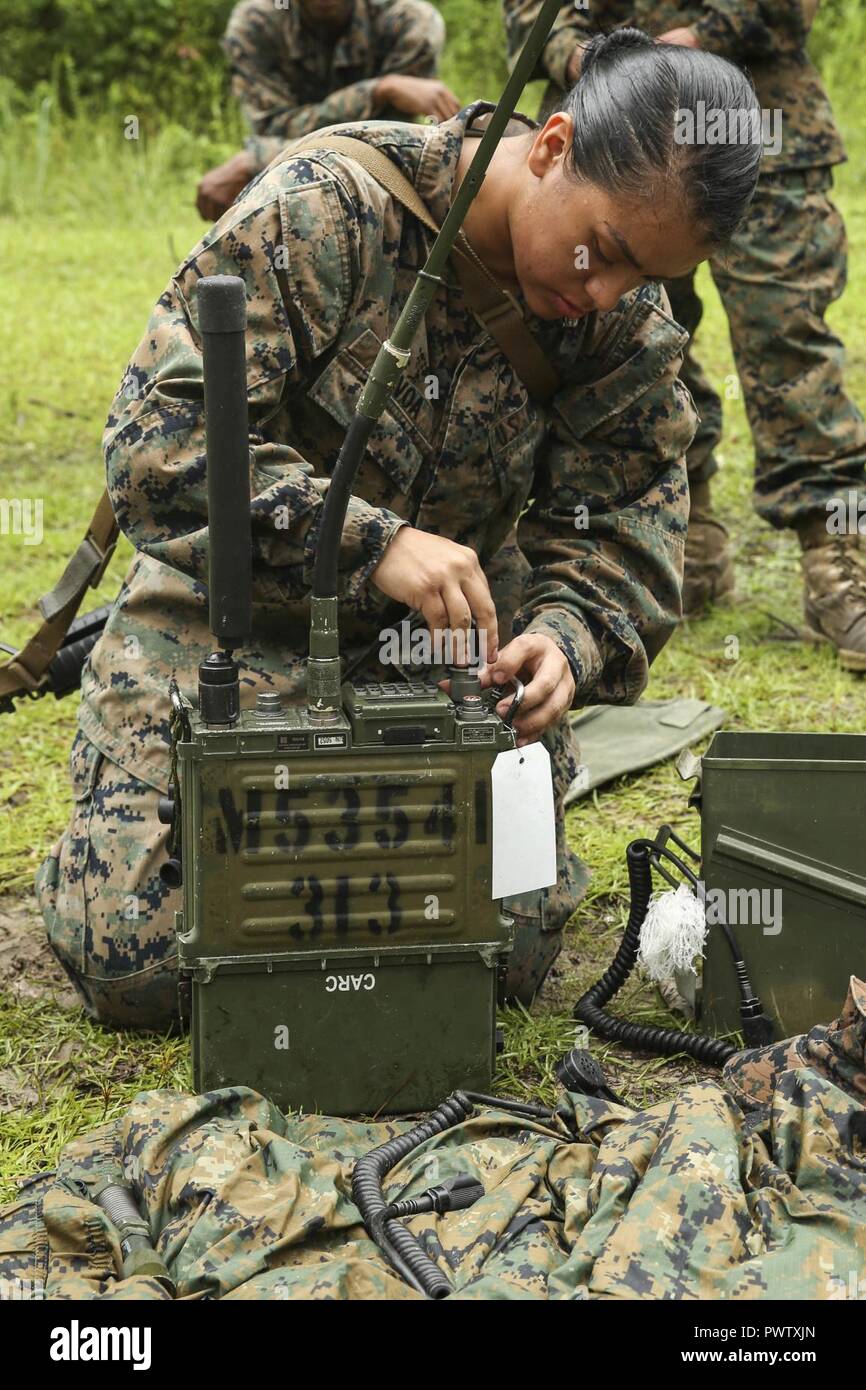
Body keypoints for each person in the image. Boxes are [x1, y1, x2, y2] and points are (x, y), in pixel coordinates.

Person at [36, 30, 762, 1032]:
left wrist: (565, 637)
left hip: (445, 653)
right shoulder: (327, 210)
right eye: (611, 251)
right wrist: (369, 544)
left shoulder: (618, 324)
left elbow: (627, 521)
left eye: (648, 280)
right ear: (551, 145)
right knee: (138, 956)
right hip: (230, 619)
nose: (606, 294)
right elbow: (155, 445)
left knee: (495, 955)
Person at [504, 1, 866, 663]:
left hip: (750, 128)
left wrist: (695, 42)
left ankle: (836, 552)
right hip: (615, 143)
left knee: (787, 336)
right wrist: (589, 59)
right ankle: (684, 531)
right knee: (634, 341)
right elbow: (530, 15)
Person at [196, 0, 459, 221]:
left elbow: (393, 147)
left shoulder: (406, 20)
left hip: (385, 195)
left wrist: (256, 160)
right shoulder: (258, 23)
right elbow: (275, 128)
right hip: (291, 188)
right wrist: (378, 90)